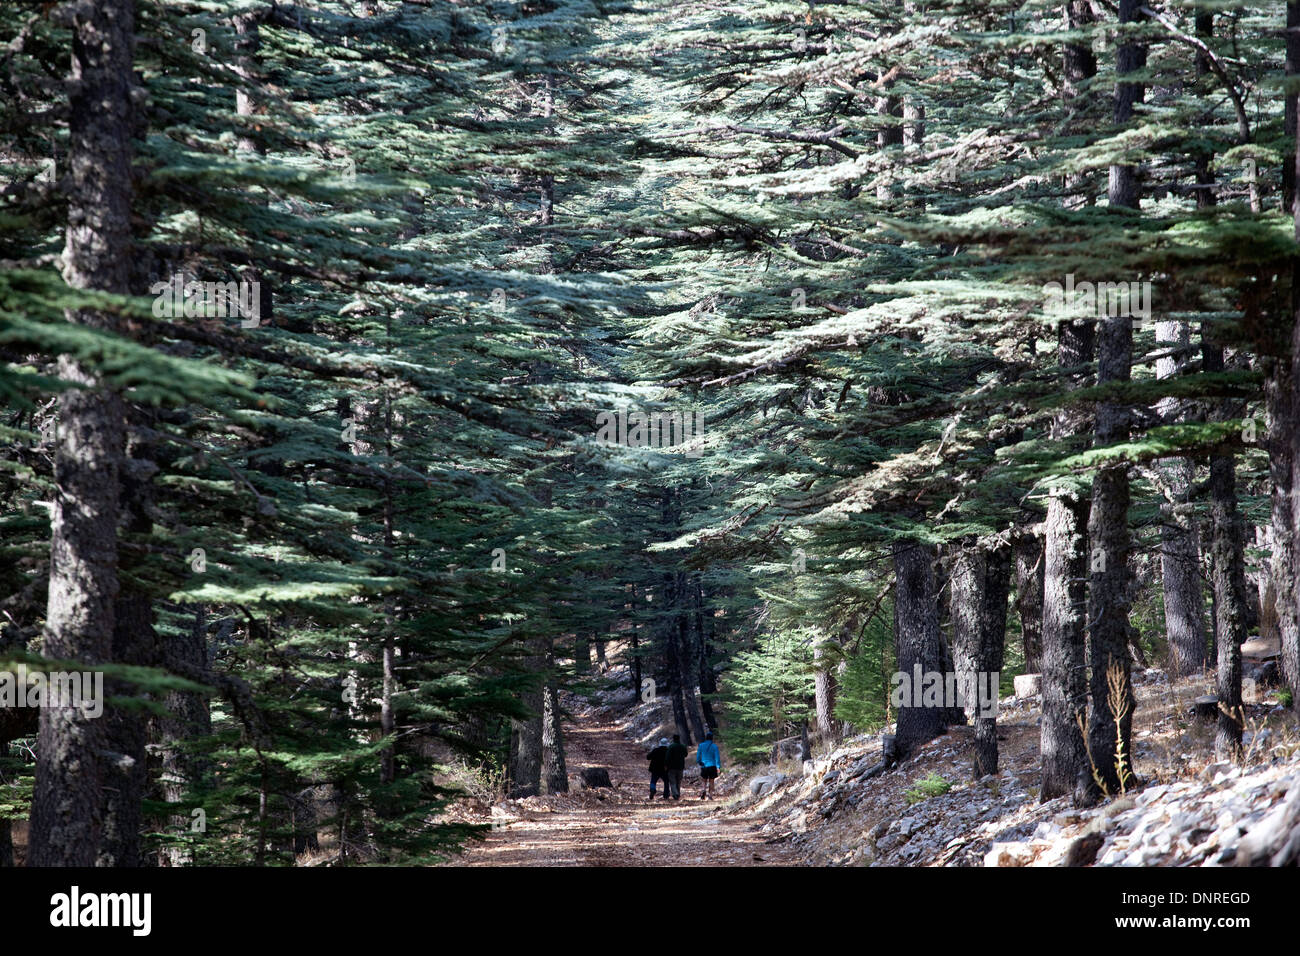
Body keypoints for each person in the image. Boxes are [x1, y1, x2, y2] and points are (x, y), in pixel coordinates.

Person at [696, 730, 720, 799]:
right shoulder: (715, 746)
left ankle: (703, 790)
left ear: (706, 738)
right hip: (712, 765)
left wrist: (699, 761)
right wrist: (718, 767)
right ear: (712, 738)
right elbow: (717, 757)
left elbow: (698, 756)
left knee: (704, 779)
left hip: (704, 765)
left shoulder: (701, 745)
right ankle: (710, 795)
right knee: (711, 780)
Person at [664, 734, 688, 800]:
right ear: (679, 739)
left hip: (671, 767)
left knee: (672, 782)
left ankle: (675, 793)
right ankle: (678, 793)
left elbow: (667, 757)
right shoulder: (683, 746)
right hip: (680, 767)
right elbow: (686, 754)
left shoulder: (671, 747)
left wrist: (666, 765)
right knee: (678, 781)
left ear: (673, 739)